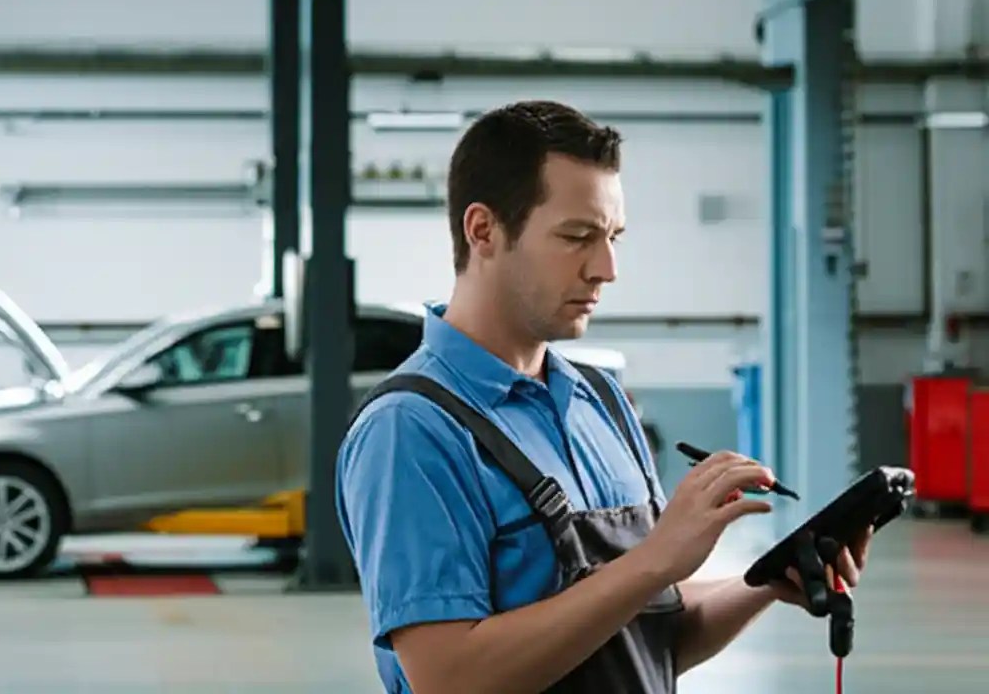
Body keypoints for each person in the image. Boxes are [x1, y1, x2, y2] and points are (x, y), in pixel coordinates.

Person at [335, 100, 872, 694]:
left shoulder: (602, 404)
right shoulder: (410, 431)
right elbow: (450, 678)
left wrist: (767, 580)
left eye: (613, 236)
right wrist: (657, 558)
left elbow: (646, 638)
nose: (607, 268)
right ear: (482, 231)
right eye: (577, 237)